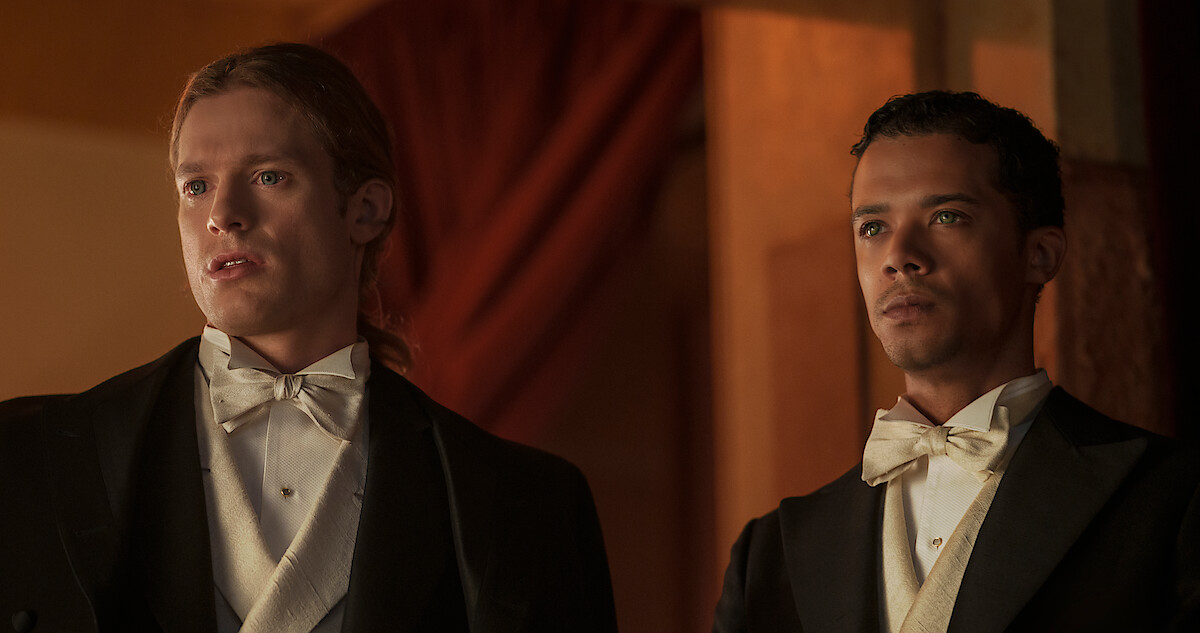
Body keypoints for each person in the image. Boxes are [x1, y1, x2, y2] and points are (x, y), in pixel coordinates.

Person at [0, 43, 617, 633]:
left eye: (268, 176)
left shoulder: (530, 505)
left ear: (365, 210)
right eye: (196, 186)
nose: (222, 214)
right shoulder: (25, 463)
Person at [712, 91, 1200, 632]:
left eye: (946, 216)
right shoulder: (769, 556)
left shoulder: (1173, 500)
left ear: (1039, 254)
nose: (899, 257)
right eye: (873, 227)